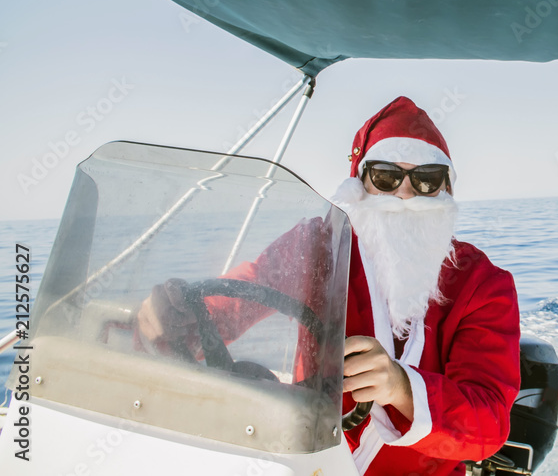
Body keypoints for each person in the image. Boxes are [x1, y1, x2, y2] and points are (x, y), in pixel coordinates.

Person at [137, 96, 521, 475]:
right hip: (308, 462)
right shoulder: (318, 246)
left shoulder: (483, 284)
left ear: (445, 190)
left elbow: (487, 427)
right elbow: (238, 296)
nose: (405, 194)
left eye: (426, 180)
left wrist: (402, 388)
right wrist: (170, 317)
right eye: (386, 177)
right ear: (359, 183)